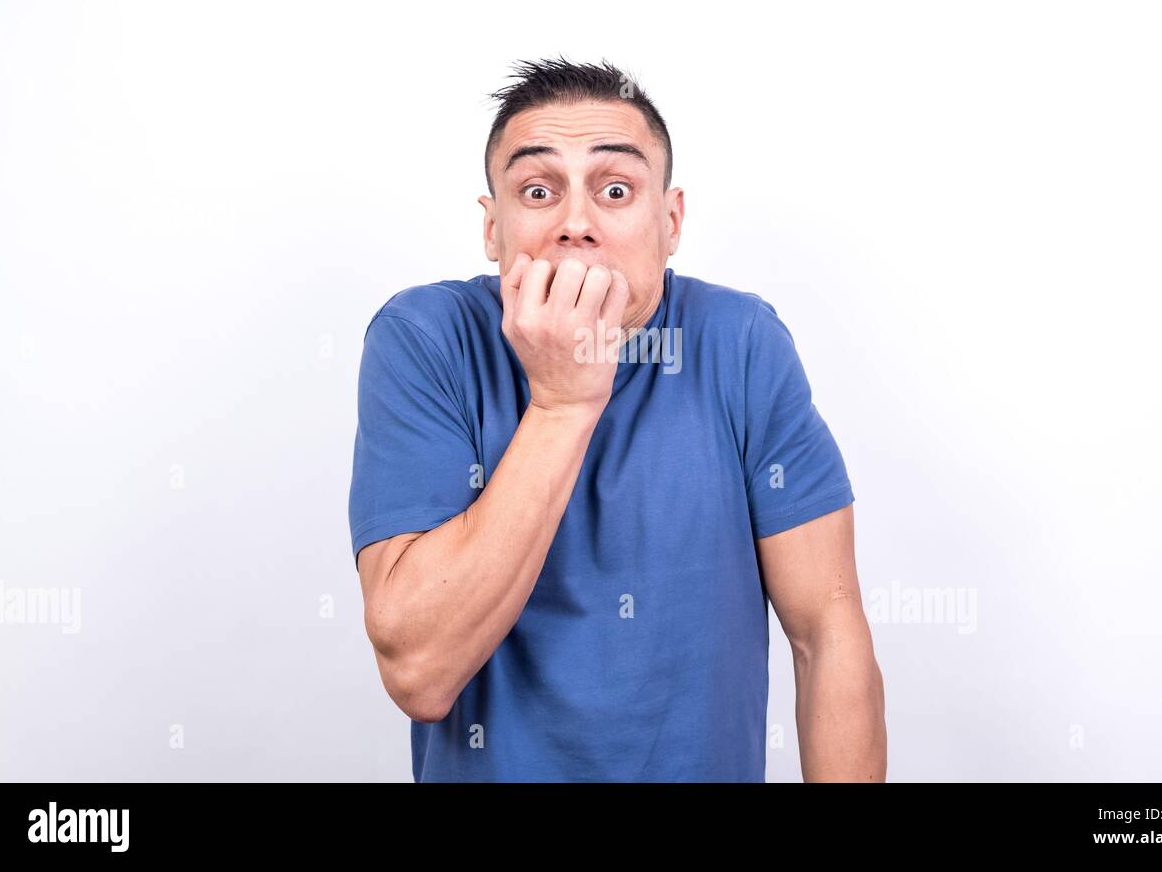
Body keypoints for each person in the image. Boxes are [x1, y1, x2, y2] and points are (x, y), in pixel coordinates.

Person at [347, 56, 886, 781]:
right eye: (538, 190)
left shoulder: (743, 343)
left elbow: (828, 633)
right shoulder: (424, 339)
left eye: (615, 189)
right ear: (492, 230)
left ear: (670, 222)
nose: (576, 222)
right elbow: (419, 671)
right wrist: (564, 399)